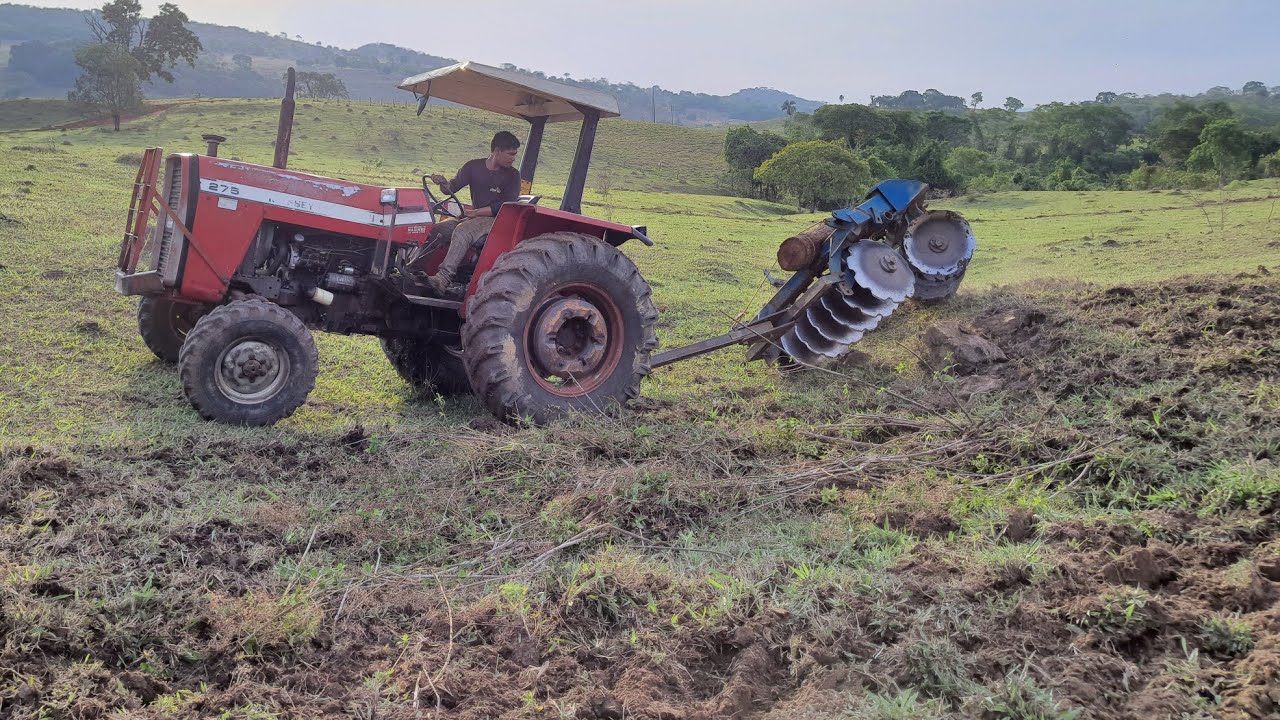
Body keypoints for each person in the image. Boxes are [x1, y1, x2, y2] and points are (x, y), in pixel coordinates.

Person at [423, 130, 521, 294]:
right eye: (510, 154)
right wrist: (442, 182)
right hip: (473, 217)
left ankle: (444, 278)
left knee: (463, 231)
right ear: (497, 151)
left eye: (515, 154)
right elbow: (451, 189)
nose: (513, 158)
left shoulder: (513, 175)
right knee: (437, 230)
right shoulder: (473, 167)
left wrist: (475, 212)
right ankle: (417, 271)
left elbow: (505, 205)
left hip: (497, 220)